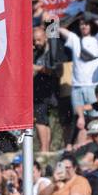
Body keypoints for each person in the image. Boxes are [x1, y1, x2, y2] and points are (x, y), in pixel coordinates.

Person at [62, 15, 98, 145]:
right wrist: (74, 18)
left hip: (94, 86)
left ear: (91, 25)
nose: (84, 26)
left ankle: (95, 148)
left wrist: (91, 17)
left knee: (95, 120)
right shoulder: (75, 39)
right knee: (79, 121)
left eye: (86, 24)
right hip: (77, 87)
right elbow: (56, 27)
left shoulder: (97, 39)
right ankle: (78, 148)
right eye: (81, 24)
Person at [32, 24, 64, 152]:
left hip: (50, 91)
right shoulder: (36, 52)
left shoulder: (53, 51)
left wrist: (37, 68)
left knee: (41, 121)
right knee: (42, 120)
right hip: (39, 91)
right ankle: (46, 150)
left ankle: (44, 150)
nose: (37, 43)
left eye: (39, 40)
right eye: (34, 40)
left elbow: (56, 70)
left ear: (46, 37)